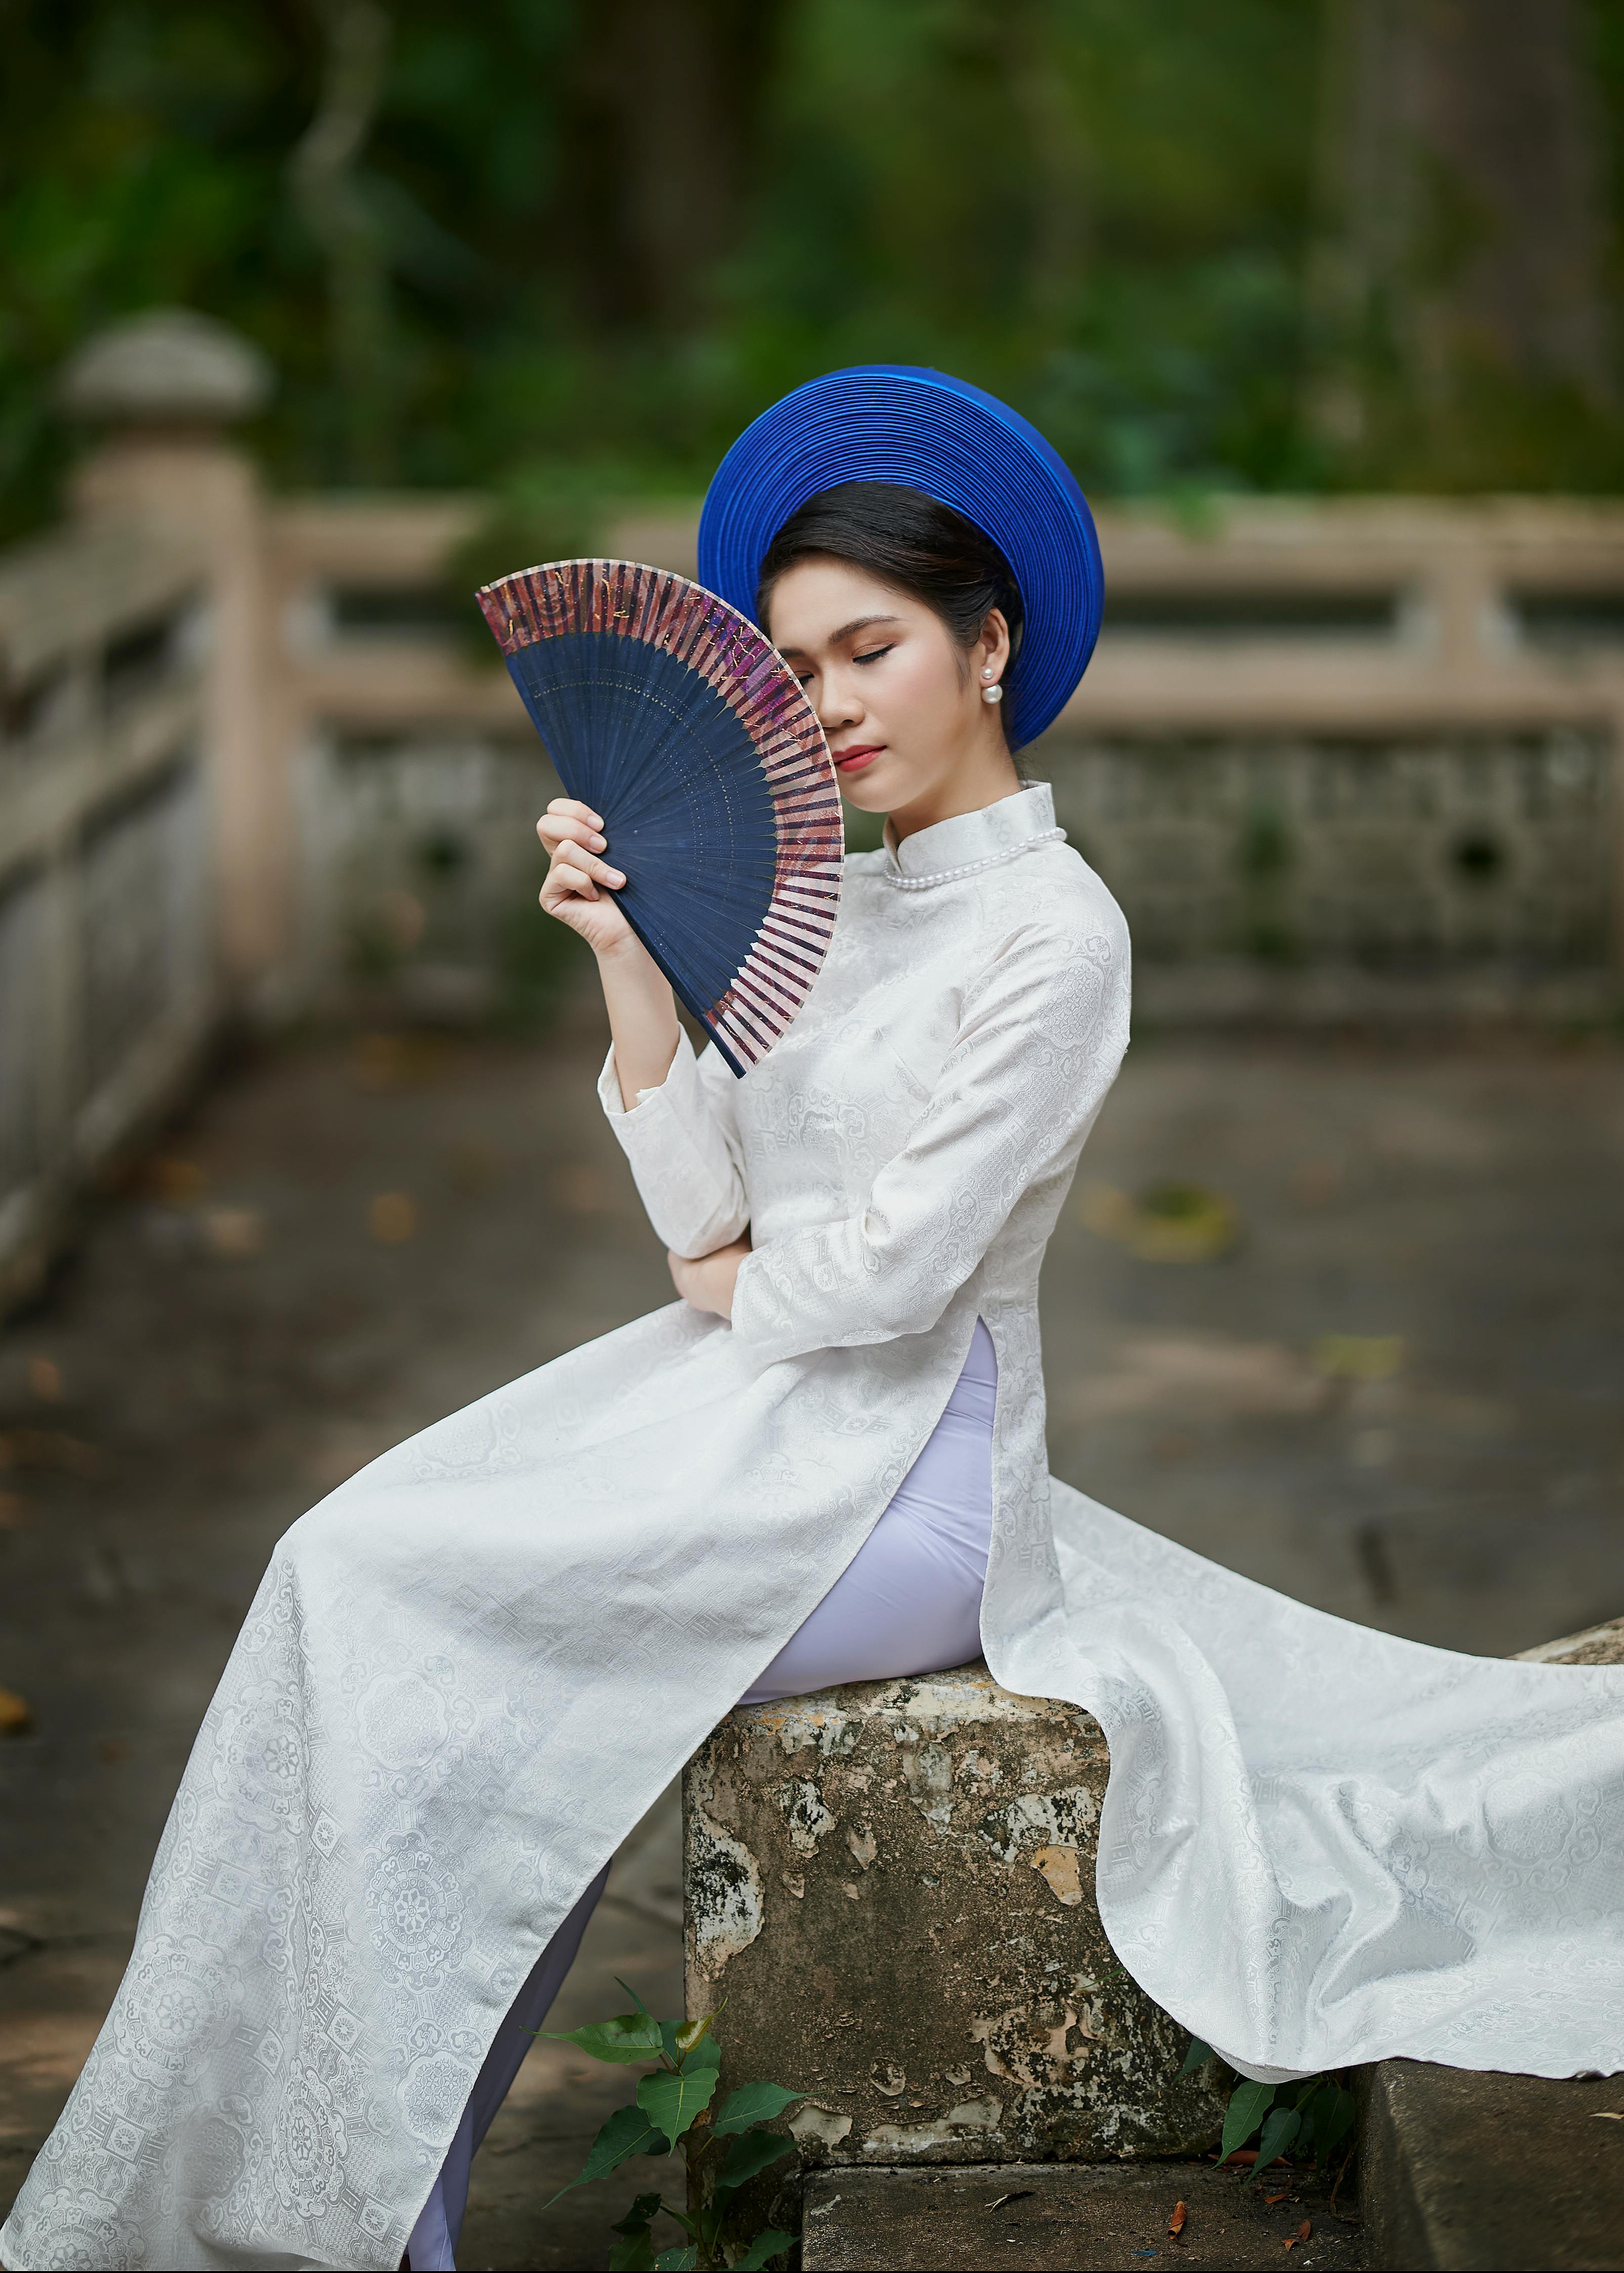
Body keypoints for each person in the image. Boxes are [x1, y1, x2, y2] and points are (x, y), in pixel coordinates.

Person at [4, 370, 1621, 2273]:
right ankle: (334, 2211)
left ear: (989, 643)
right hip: (759, 1396)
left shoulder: (1057, 937)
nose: (832, 703)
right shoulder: (826, 904)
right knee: (346, 1579)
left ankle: (335, 2218)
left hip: (912, 1468)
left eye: (872, 648)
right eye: (795, 667)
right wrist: (628, 967)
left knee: (419, 1613)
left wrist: (727, 1284)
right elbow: (709, 1211)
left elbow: (884, 1277)